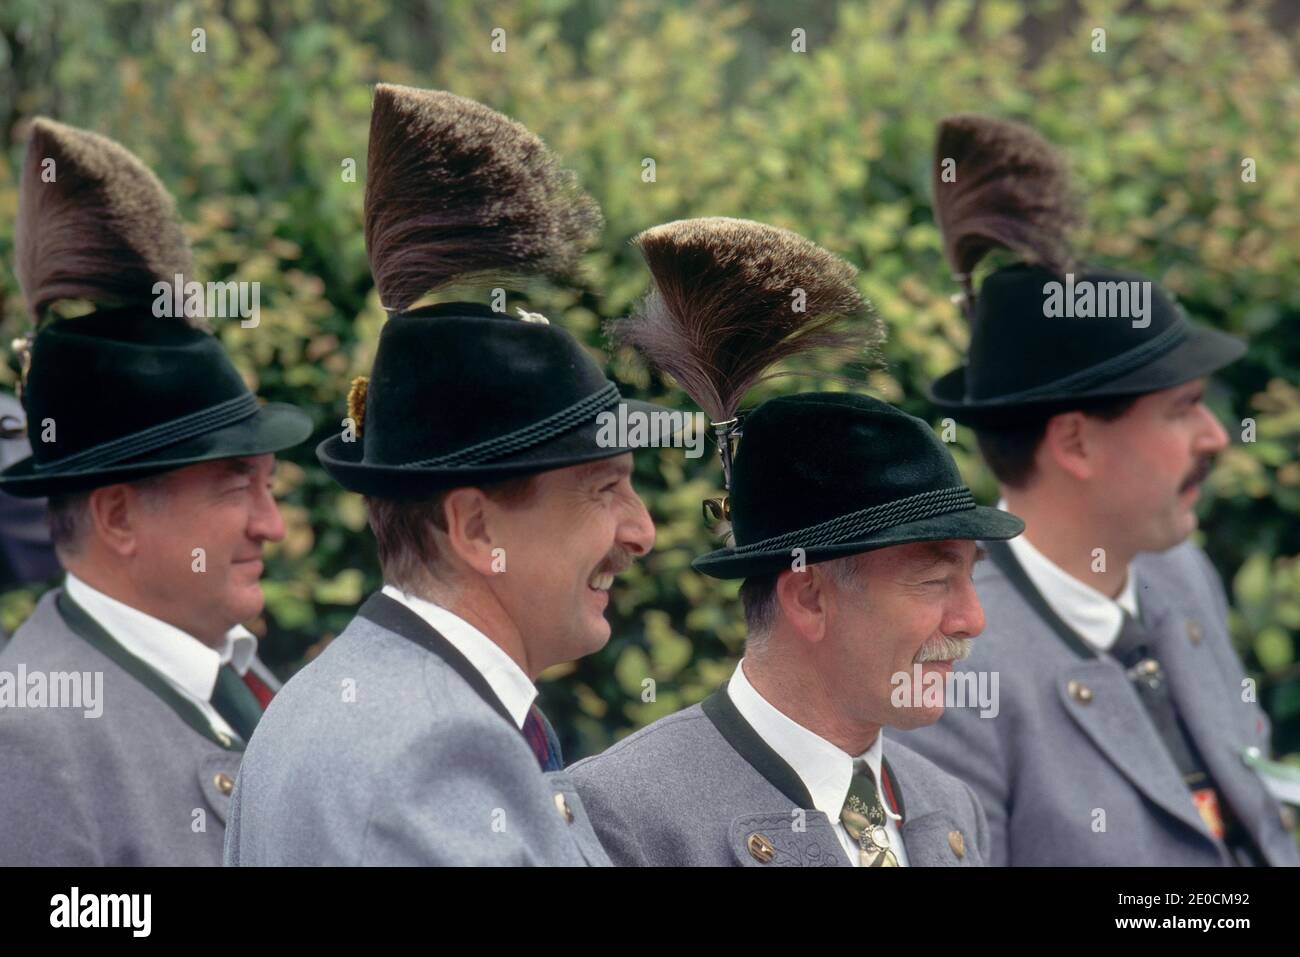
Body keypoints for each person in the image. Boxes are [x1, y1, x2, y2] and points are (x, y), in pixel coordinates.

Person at [225, 85, 659, 865]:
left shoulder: (368, 700)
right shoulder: (432, 751)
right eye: (604, 487)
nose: (641, 530)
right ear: (476, 527)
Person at [901, 114, 1299, 866]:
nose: (1216, 437)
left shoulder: (1177, 573)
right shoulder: (950, 673)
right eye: (1183, 409)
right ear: (1076, 442)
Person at [569, 217, 1024, 866]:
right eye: (932, 579)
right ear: (808, 596)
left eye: (968, 575)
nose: (972, 617)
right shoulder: (629, 815)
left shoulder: (949, 806)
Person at [0, 118, 312, 864]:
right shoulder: (32, 736)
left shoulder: (234, 666)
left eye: (268, 486)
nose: (271, 525)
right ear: (117, 514)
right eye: (237, 486)